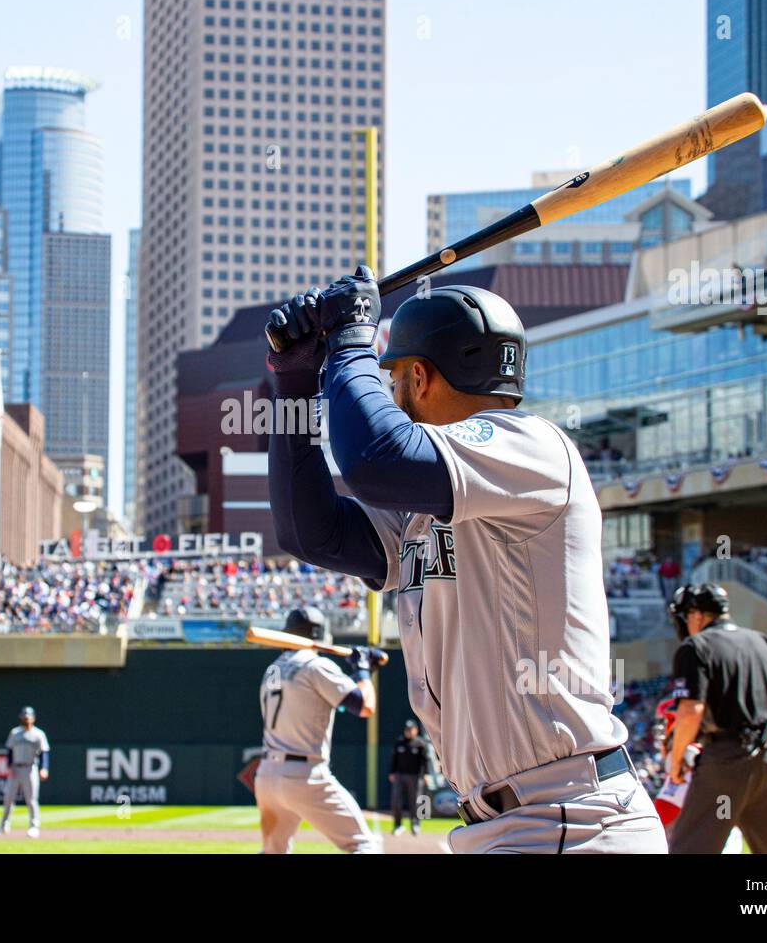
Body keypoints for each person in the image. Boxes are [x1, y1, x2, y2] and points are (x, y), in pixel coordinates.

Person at [265, 268, 665, 853]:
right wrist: (296, 382)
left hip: (568, 820)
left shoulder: (532, 446)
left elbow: (376, 458)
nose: (392, 392)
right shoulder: (427, 506)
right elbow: (309, 531)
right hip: (513, 822)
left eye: (393, 376)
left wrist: (351, 339)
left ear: (420, 376)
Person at [665, 584, 767, 854]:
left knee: (690, 848)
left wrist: (677, 758)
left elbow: (691, 712)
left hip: (727, 759)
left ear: (697, 616)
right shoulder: (762, 641)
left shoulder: (696, 646)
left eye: (685, 616)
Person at [254, 607, 385, 854]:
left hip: (267, 776)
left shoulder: (272, 668)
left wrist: (363, 673)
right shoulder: (316, 666)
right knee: (362, 845)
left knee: (273, 851)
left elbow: (329, 701)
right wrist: (363, 671)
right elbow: (365, 706)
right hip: (304, 775)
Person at [0, 706, 50, 839]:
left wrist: (44, 768)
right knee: (8, 798)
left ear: (33, 718)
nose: (26, 719)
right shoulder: (15, 733)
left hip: (31, 768)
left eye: (28, 717)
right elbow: (9, 751)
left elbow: (44, 752)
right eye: (24, 717)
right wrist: (9, 766)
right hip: (15, 769)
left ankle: (34, 827)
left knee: (31, 799)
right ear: (21, 718)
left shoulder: (38, 734)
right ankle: (3, 825)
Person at [389, 719, 432, 836]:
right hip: (399, 775)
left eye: (410, 729)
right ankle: (398, 825)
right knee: (396, 799)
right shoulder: (400, 742)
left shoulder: (420, 743)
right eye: (407, 730)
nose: (408, 732)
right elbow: (394, 759)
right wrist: (392, 772)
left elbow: (425, 761)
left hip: (415, 776)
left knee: (415, 801)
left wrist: (426, 774)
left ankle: (415, 824)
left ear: (416, 730)